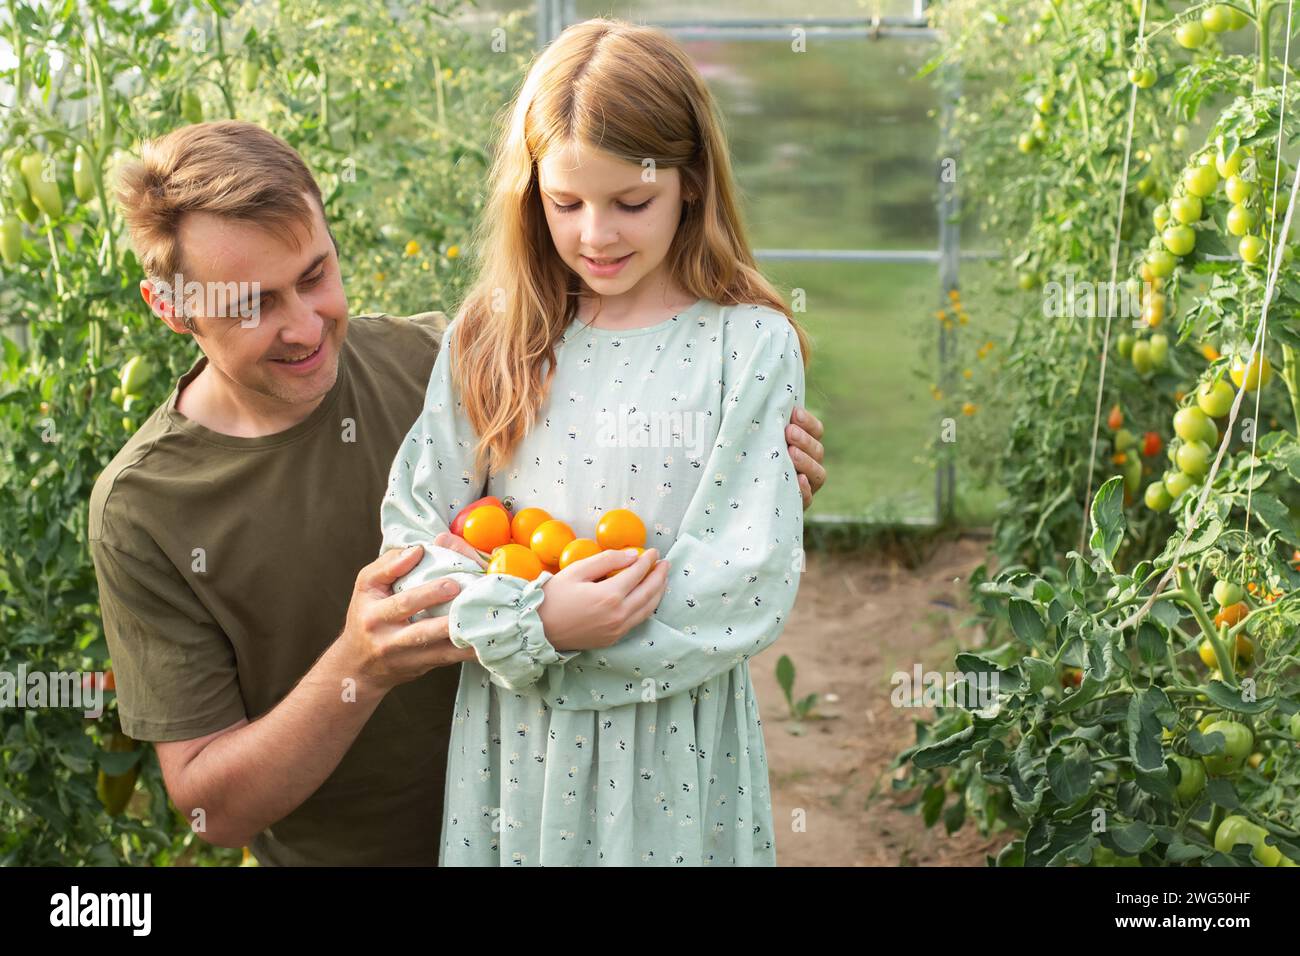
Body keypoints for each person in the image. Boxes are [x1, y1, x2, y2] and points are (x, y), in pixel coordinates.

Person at [88, 119, 828, 865]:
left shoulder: (441, 360)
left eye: (314, 275)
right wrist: (360, 665)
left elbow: (632, 458)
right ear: (171, 307)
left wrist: (750, 481)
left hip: (570, 823)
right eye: (253, 305)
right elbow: (211, 807)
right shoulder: (147, 508)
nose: (305, 327)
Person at [380, 19, 810, 866]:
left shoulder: (748, 344)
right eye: (565, 203)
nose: (595, 236)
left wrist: (556, 639)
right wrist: (535, 620)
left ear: (691, 183)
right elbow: (413, 535)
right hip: (519, 747)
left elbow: (745, 574)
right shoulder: (494, 335)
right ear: (529, 193)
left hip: (674, 741)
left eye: (631, 202)